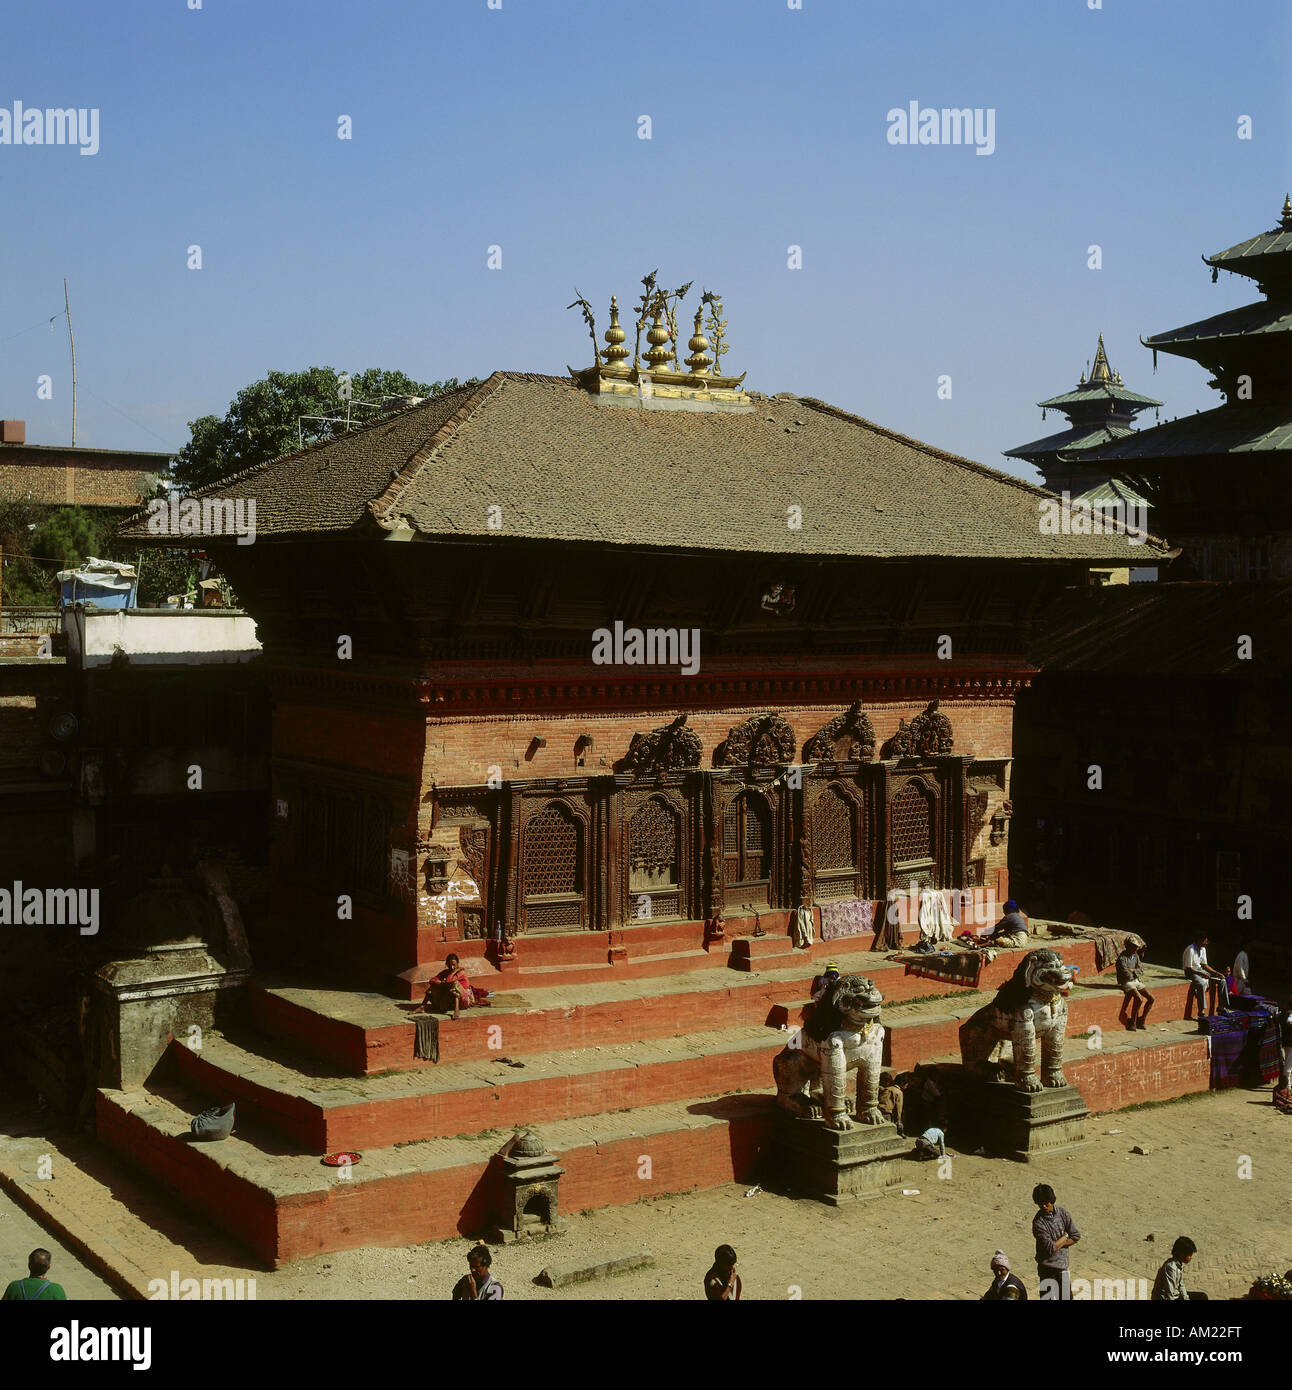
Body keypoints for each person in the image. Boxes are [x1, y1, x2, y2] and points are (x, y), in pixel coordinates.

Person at [1032, 1184, 1080, 1300]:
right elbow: (1050, 1248)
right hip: (1046, 1269)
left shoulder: (1063, 1214)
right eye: (1040, 1204)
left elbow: (1075, 1236)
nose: (1043, 1206)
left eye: (1046, 1203)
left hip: (1062, 1268)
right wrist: (1064, 1238)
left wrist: (1058, 1244)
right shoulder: (1038, 1223)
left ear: (1051, 1200)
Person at [417, 953, 492, 1019]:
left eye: (454, 965)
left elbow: (449, 980)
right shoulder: (445, 972)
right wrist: (441, 983)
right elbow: (431, 981)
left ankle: (456, 1009)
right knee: (433, 987)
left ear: (458, 964)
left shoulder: (460, 972)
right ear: (446, 964)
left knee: (454, 983)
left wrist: (455, 971)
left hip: (463, 1001)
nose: (452, 967)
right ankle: (422, 1007)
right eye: (450, 965)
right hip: (449, 1002)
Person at [1182, 935, 1224, 1029]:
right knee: (1200, 983)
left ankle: (1222, 1007)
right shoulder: (1190, 949)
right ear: (1199, 940)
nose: (1207, 942)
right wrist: (1201, 974)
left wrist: (1216, 973)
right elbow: (1189, 968)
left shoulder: (1203, 949)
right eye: (1205, 940)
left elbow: (1204, 965)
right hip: (1191, 972)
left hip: (1200, 970)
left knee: (1222, 981)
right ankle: (1201, 1011)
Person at [1116, 936, 1155, 1031]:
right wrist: (1135, 972)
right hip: (1126, 982)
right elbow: (1125, 974)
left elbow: (1141, 970)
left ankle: (1142, 1019)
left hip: (1136, 981)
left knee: (1151, 998)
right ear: (1128, 946)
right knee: (1139, 999)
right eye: (1134, 946)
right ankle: (1132, 1022)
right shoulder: (1122, 958)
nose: (1136, 949)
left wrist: (1133, 971)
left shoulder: (1136, 956)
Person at [964, 899, 1028, 949]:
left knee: (997, 941)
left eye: (1004, 910)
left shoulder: (1010, 917)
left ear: (1007, 910)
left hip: (1018, 940)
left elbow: (996, 928)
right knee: (996, 936)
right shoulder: (1017, 916)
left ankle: (979, 946)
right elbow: (1004, 931)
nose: (1003, 912)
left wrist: (985, 933)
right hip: (1021, 938)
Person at [877, 1069, 904, 1134]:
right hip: (887, 1114)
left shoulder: (882, 1089)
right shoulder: (898, 1092)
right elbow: (898, 1108)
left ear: (887, 1082)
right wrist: (898, 1120)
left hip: (878, 1112)